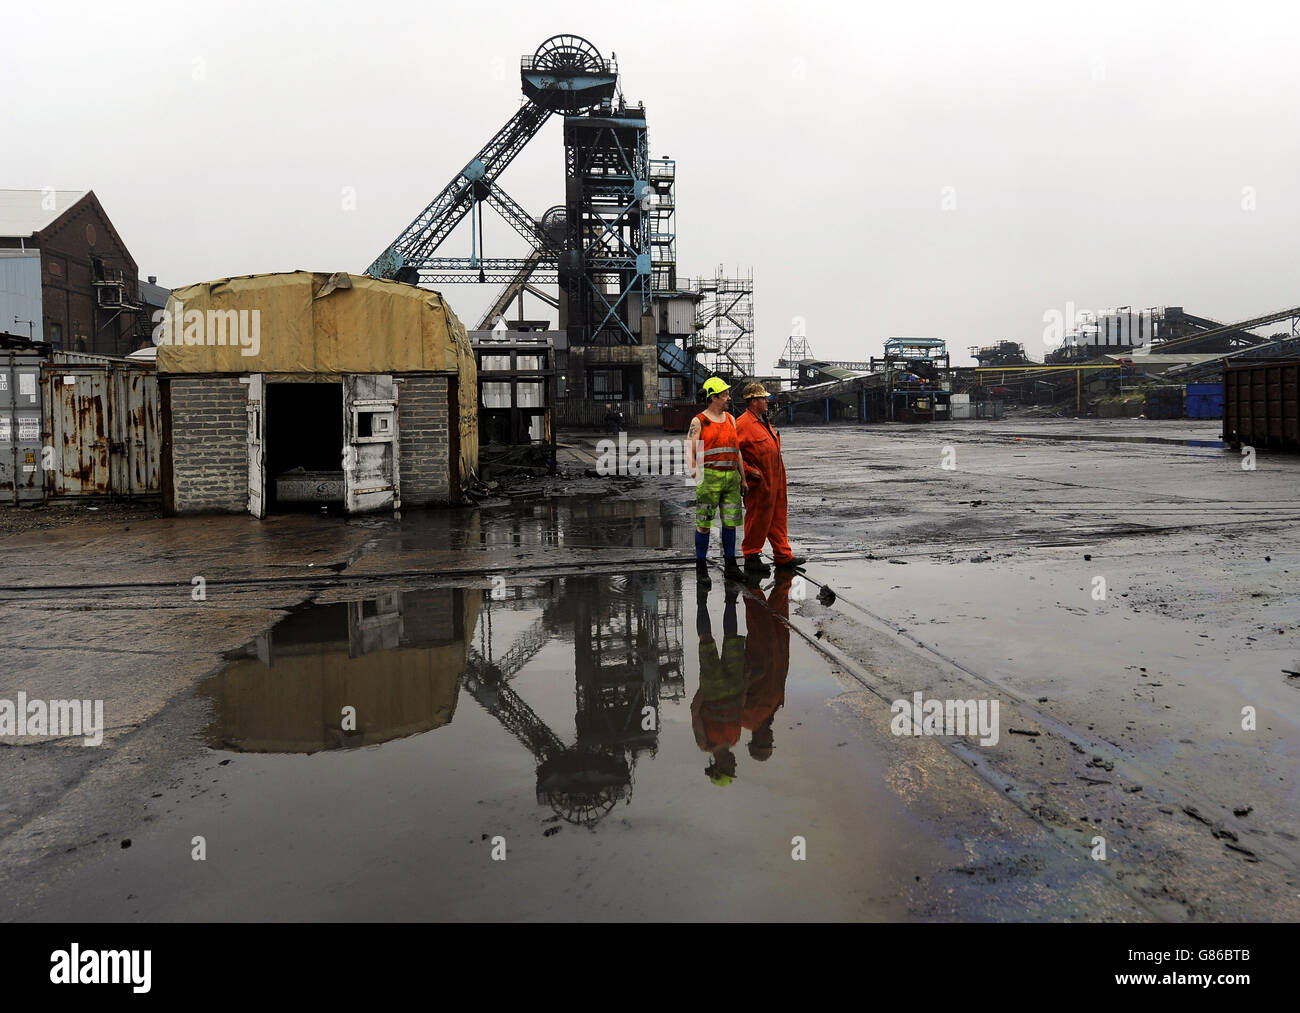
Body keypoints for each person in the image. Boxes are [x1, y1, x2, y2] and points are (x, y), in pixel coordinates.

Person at [735, 382, 806, 576]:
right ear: (754, 401)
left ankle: (783, 555)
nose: (767, 401)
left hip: (775, 478)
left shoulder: (763, 421)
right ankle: (751, 556)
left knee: (778, 518)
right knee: (758, 518)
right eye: (763, 398)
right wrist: (749, 471)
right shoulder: (742, 424)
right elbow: (733, 453)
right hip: (759, 482)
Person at [686, 377, 745, 585]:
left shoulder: (731, 419)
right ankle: (701, 569)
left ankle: (731, 566)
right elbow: (690, 452)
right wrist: (698, 478)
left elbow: (736, 451)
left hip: (731, 480)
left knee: (730, 524)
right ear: (714, 397)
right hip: (709, 478)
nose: (729, 398)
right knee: (704, 525)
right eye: (725, 395)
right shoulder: (699, 421)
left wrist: (743, 479)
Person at [691, 585, 745, 786]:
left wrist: (703, 688)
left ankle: (701, 601)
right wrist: (745, 684)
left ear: (719, 767)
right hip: (734, 685)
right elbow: (739, 709)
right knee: (732, 639)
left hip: (711, 689)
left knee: (706, 641)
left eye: (731, 769)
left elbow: (695, 712)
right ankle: (731, 598)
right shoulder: (735, 739)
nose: (735, 765)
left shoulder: (705, 743)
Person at [742, 570, 793, 762]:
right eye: (771, 742)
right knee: (778, 622)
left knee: (760, 624)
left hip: (762, 659)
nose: (771, 738)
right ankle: (779, 587)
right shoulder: (768, 716)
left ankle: (752, 589)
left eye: (767, 742)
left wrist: (755, 672)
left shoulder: (747, 718)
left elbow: (740, 689)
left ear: (757, 740)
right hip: (777, 660)